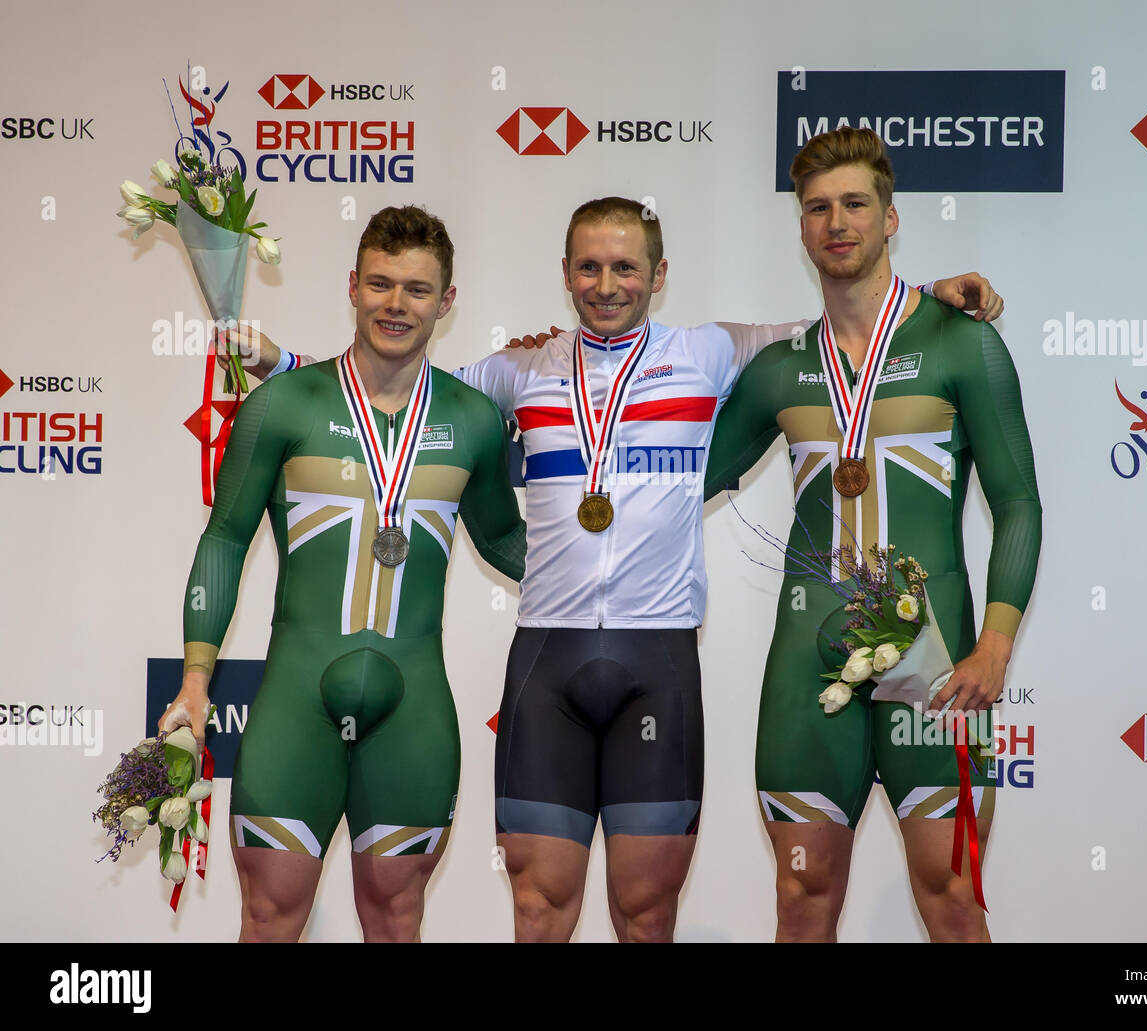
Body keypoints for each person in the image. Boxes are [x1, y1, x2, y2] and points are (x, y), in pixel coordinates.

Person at [247, 196, 1001, 941]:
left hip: (658, 658)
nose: (607, 285)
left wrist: (929, 293)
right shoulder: (519, 371)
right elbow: (391, 389)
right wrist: (283, 366)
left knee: (646, 917)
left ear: (659, 273)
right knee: (538, 913)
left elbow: (842, 326)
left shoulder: (710, 353)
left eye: (625, 268)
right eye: (589, 268)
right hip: (548, 661)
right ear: (566, 275)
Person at [702, 127, 1042, 941]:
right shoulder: (780, 367)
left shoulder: (964, 343)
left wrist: (994, 646)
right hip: (807, 655)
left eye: (855, 203)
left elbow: (1020, 504)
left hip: (938, 657)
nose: (836, 222)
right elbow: (687, 480)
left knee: (952, 896)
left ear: (891, 218)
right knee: (801, 898)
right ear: (801, 228)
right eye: (817, 208)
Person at [158, 205, 526, 942]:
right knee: (268, 916)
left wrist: (623, 551)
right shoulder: (281, 405)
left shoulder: (475, 419)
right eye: (382, 284)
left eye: (418, 290)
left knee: (396, 918)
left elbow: (510, 544)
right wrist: (196, 676)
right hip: (297, 701)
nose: (397, 305)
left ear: (447, 303)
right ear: (352, 287)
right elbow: (226, 539)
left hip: (413, 708)